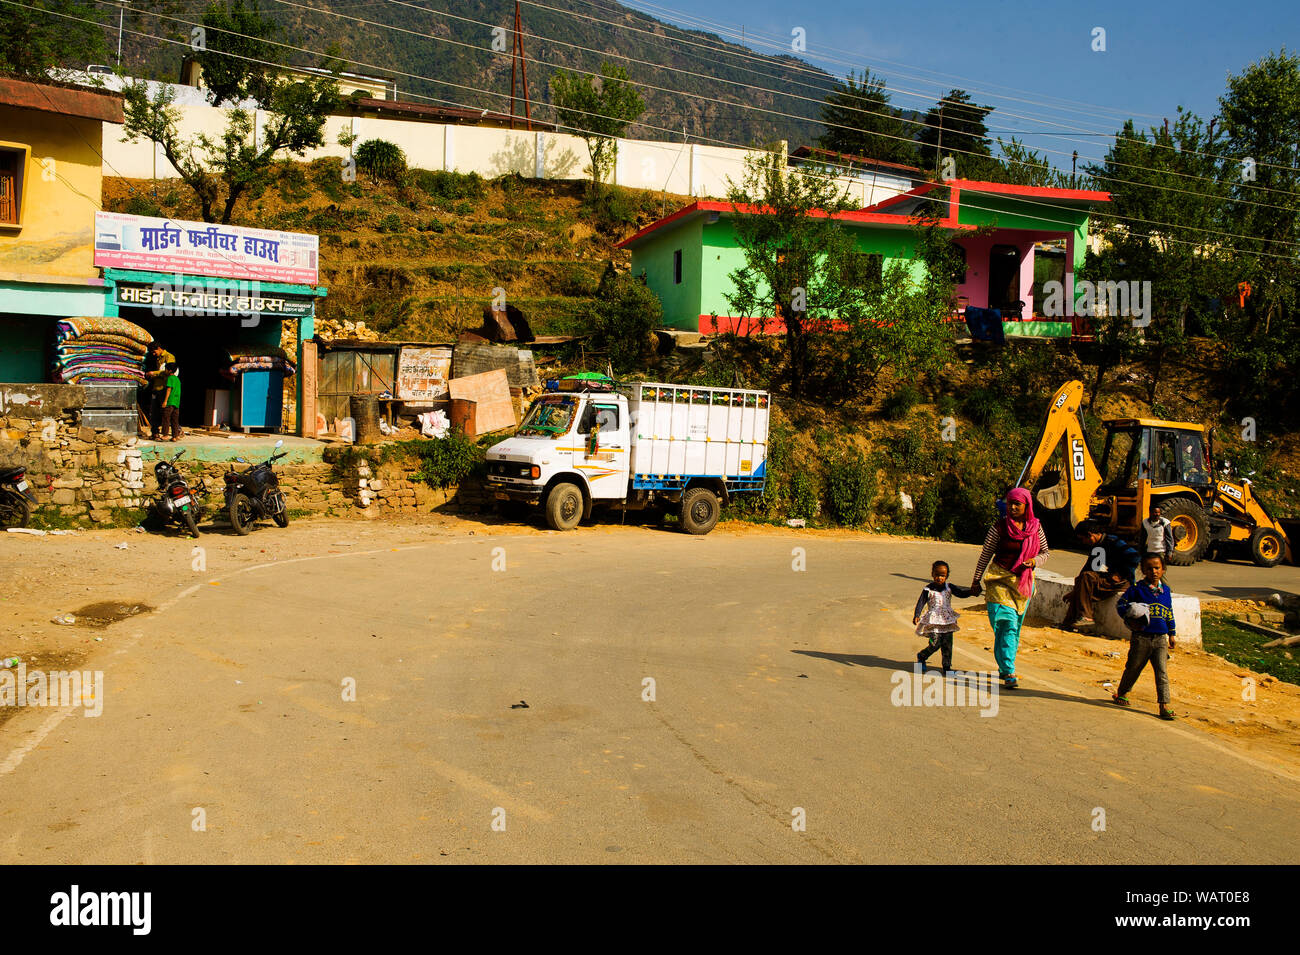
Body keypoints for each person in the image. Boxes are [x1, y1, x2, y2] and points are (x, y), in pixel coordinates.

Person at [970, 486, 1050, 689]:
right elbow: (986, 554)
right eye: (1010, 503)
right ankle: (1008, 669)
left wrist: (1034, 561)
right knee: (1006, 623)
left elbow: (1045, 553)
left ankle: (1006, 668)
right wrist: (976, 579)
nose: (1012, 507)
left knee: (1014, 628)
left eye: (1017, 504)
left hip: (1023, 583)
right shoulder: (999, 527)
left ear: (1026, 506)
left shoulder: (1036, 527)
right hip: (999, 579)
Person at [1111, 554, 1177, 721]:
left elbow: (1169, 613)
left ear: (1163, 569)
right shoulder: (1137, 589)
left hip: (1160, 639)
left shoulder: (1166, 591)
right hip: (1141, 637)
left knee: (1161, 672)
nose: (1153, 571)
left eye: (1157, 568)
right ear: (1143, 570)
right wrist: (1130, 617)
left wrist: (1172, 634)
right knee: (1134, 666)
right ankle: (1123, 693)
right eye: (1149, 568)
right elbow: (1121, 605)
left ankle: (1164, 705)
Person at [1061, 521, 1141, 631]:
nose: (1083, 542)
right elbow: (1089, 568)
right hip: (1109, 580)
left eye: (1083, 538)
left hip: (1121, 581)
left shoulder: (1113, 541)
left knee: (1086, 577)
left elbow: (1134, 557)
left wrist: (1121, 573)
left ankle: (1086, 617)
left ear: (1090, 535)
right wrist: (1075, 590)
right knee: (1082, 579)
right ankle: (1068, 623)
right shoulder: (1097, 547)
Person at [913, 560, 975, 674]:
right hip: (933, 620)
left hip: (947, 620)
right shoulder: (928, 589)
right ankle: (922, 656)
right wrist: (917, 615)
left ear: (946, 576)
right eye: (937, 575)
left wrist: (971, 592)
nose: (939, 578)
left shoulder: (949, 587)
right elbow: (921, 602)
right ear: (932, 574)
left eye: (942, 576)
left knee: (947, 644)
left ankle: (947, 667)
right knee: (935, 643)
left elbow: (961, 593)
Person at [143, 340, 175, 440]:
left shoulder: (169, 357)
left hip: (164, 388)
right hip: (157, 387)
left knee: (166, 412)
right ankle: (155, 432)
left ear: (159, 348)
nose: (153, 354)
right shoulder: (158, 358)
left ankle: (173, 431)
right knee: (154, 411)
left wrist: (154, 373)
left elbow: (170, 371)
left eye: (154, 352)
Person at [161, 362, 182, 442]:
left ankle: (165, 435)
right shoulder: (177, 379)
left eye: (166, 369)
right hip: (176, 402)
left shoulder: (170, 378)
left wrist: (165, 401)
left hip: (170, 401)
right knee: (175, 420)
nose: (165, 370)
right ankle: (175, 436)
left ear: (169, 370)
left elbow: (169, 389)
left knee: (166, 418)